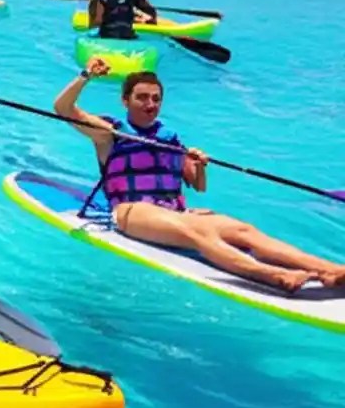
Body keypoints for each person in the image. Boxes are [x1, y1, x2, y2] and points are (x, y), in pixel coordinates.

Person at [54, 58, 345, 292]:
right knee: (200, 231)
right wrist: (86, 75)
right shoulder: (109, 133)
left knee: (245, 231)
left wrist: (198, 163)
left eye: (156, 99)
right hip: (132, 211)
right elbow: (63, 108)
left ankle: (328, 270)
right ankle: (273, 276)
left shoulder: (168, 138)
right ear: (125, 101)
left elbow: (197, 184)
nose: (150, 104)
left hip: (177, 211)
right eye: (141, 98)